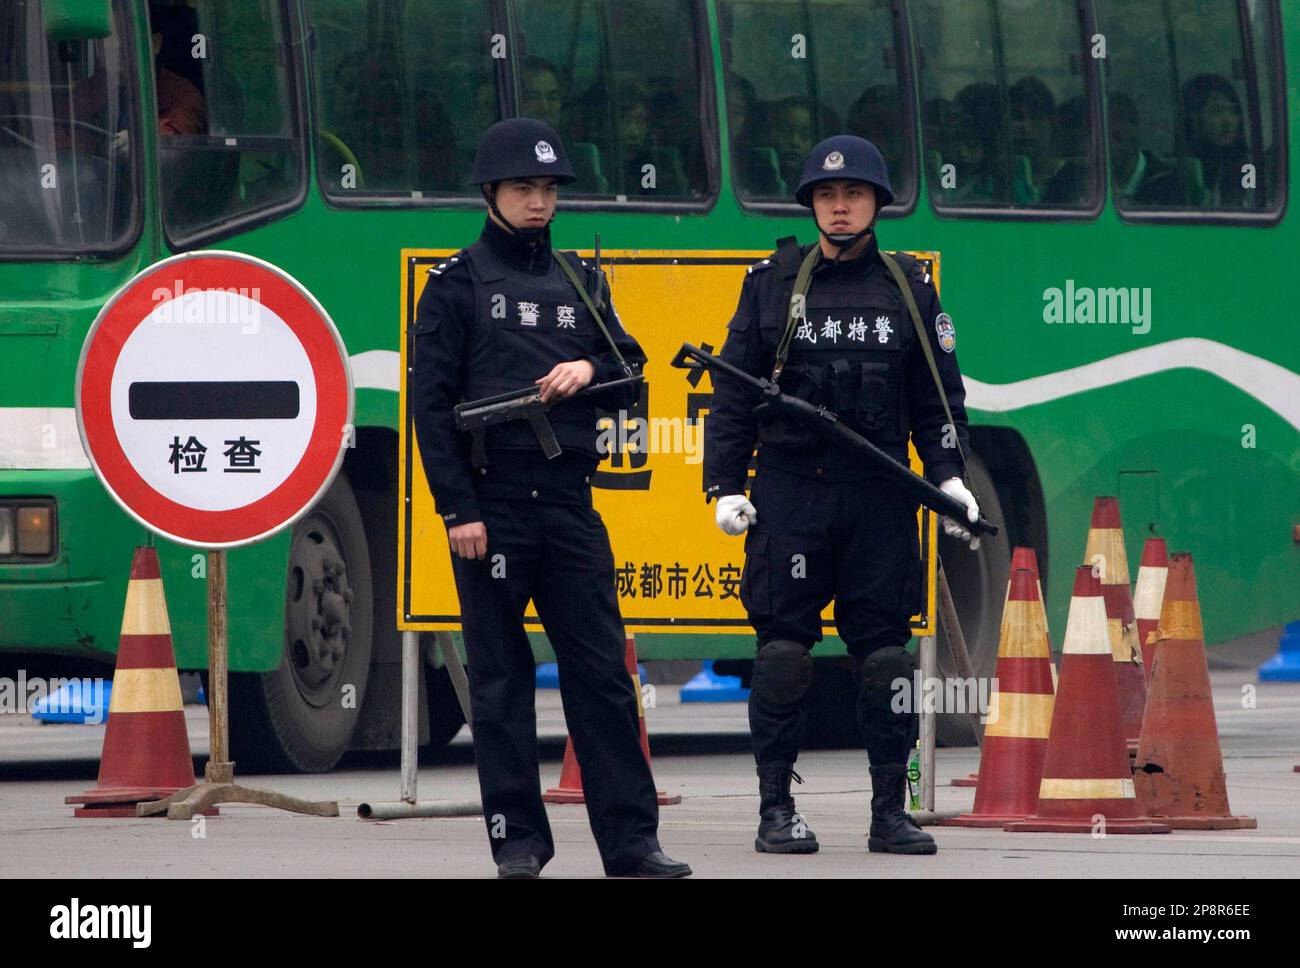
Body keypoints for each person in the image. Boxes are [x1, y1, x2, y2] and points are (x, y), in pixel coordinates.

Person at [409, 118, 691, 879]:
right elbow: (429, 407)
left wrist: (586, 372)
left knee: (601, 676)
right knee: (499, 684)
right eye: (523, 188)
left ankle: (633, 844)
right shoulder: (457, 284)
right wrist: (457, 509)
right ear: (492, 193)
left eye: (547, 189)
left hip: (568, 504)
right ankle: (519, 844)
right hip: (492, 508)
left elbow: (633, 371)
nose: (538, 202)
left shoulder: (580, 283)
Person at [703, 135, 981, 857]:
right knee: (783, 654)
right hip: (792, 496)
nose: (839, 207)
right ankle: (775, 809)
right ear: (811, 205)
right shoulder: (772, 281)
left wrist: (948, 472)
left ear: (876, 205)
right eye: (827, 196)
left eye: (853, 195)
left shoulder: (908, 287)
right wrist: (723, 486)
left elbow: (938, 397)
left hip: (880, 495)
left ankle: (889, 810)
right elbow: (731, 394)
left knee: (887, 658)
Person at [1182, 73, 1252, 207]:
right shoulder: (1179, 169)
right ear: (1194, 118)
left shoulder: (1248, 168)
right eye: (1217, 110)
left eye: (1234, 111)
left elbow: (1252, 199)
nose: (1228, 120)